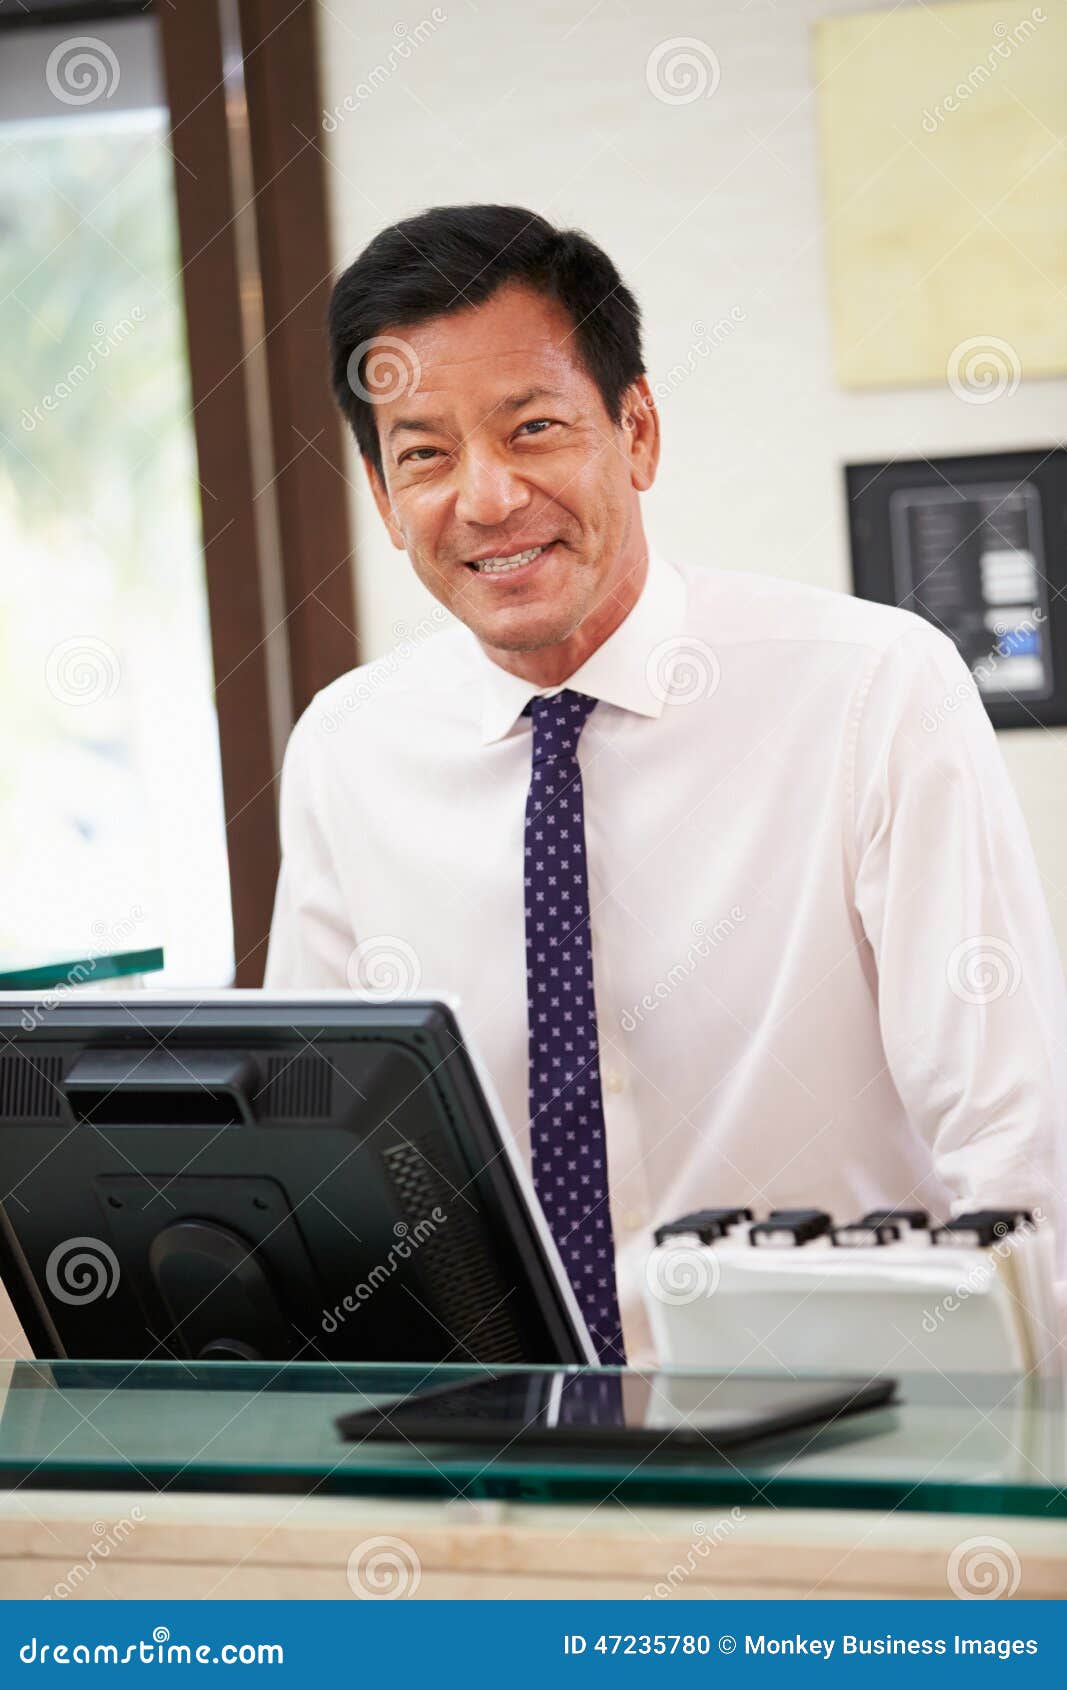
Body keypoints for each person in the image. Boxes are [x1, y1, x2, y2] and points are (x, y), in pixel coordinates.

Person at [265, 203, 1066, 1365]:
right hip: (508, 1449)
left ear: (635, 430)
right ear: (385, 500)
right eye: (424, 453)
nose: (484, 498)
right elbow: (321, 1160)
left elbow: (1014, 1139)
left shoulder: (872, 690)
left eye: (531, 427)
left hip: (857, 1429)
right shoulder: (349, 749)